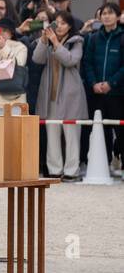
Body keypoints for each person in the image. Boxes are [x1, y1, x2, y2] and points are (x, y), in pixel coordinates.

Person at [32, 10, 88, 182]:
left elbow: (71, 60)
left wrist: (56, 42)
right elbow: (36, 59)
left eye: (63, 23)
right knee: (52, 134)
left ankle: (72, 171)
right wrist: (43, 40)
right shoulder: (47, 41)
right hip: (50, 95)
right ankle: (55, 170)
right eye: (57, 23)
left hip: (70, 95)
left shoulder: (77, 41)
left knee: (72, 135)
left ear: (70, 26)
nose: (59, 26)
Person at [82, 1, 123, 171]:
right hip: (97, 93)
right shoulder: (93, 38)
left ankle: (120, 162)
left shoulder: (122, 37)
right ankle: (103, 166)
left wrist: (111, 83)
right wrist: (93, 83)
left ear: (118, 16)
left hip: (118, 93)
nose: (106, 16)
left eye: (110, 13)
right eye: (103, 13)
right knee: (100, 130)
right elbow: (87, 63)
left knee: (120, 131)